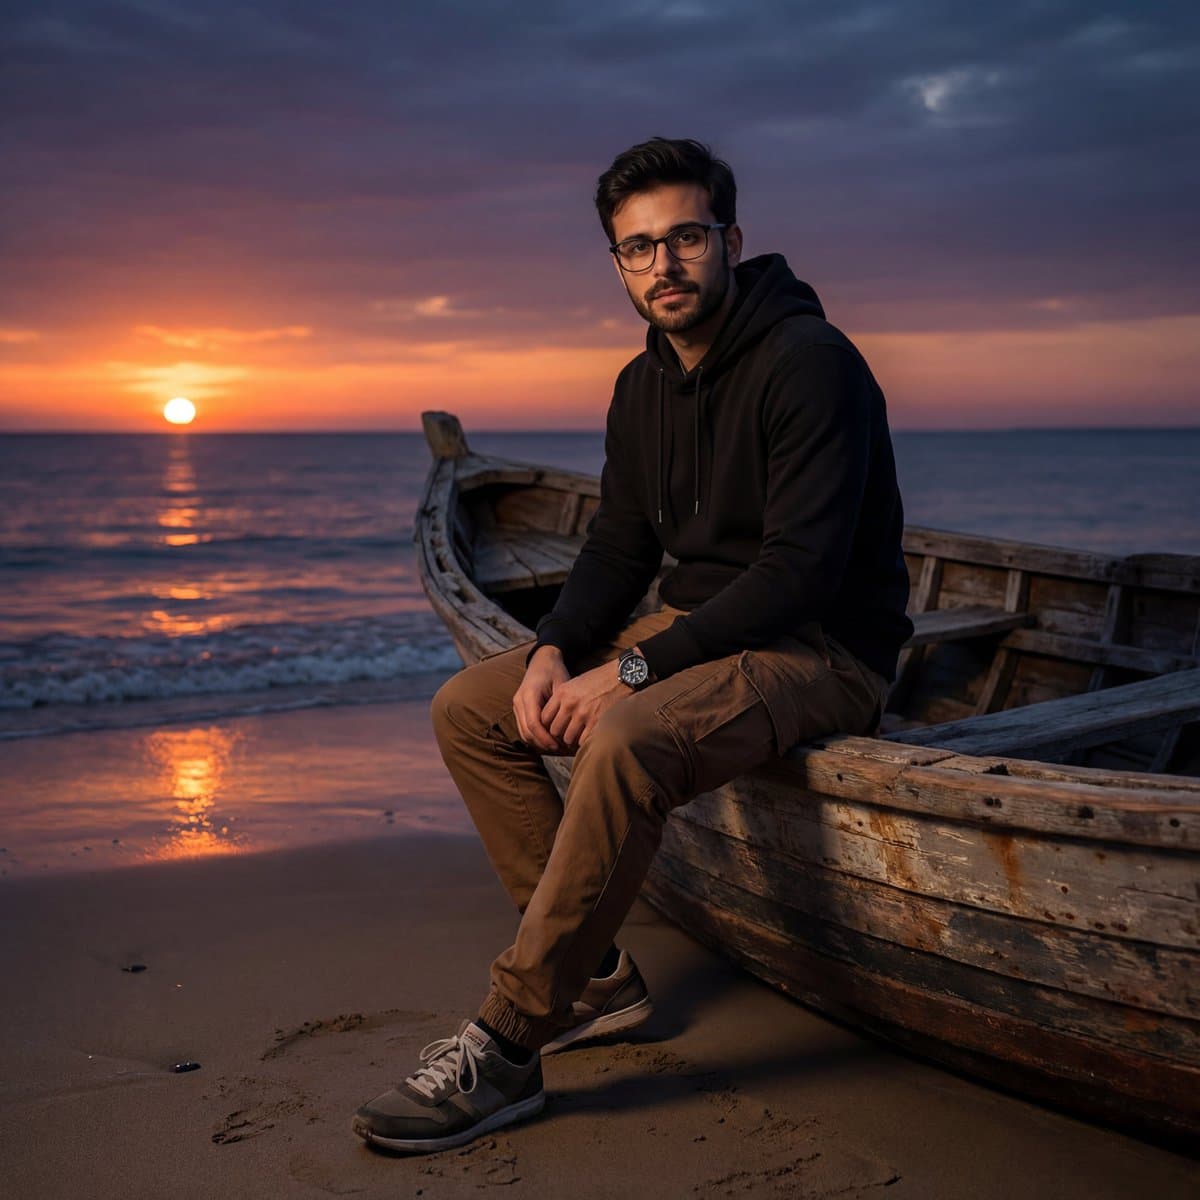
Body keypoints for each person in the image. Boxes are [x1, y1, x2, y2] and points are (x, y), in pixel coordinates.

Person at [352, 137, 913, 1153]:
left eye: (685, 238)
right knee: (473, 710)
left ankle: (516, 1037)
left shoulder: (810, 364)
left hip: (822, 649)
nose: (664, 266)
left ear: (730, 241)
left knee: (626, 741)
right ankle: (595, 978)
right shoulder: (640, 385)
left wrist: (640, 670)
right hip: (706, 630)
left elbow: (801, 575)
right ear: (617, 263)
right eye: (637, 248)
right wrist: (559, 650)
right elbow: (619, 543)